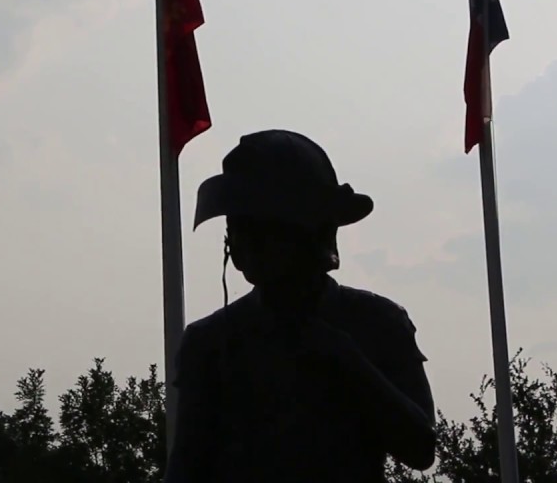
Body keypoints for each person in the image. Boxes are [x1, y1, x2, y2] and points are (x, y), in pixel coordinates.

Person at [164, 129, 436, 482]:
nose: (244, 243)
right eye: (237, 226)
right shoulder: (209, 341)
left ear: (307, 232)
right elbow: (186, 467)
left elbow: (420, 447)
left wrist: (348, 361)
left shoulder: (376, 322)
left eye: (261, 227)